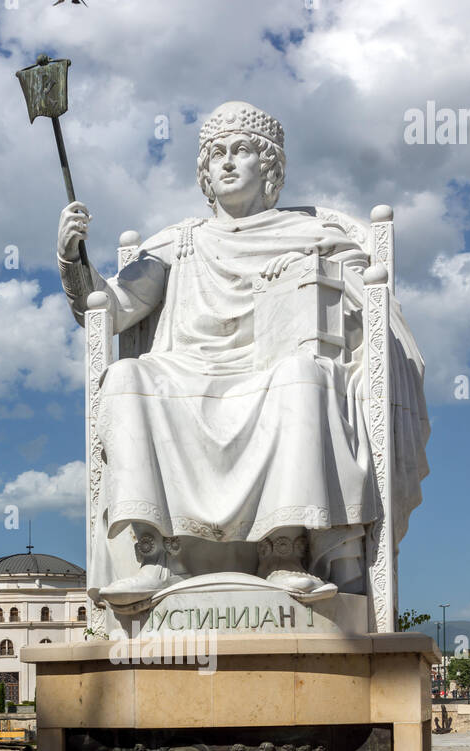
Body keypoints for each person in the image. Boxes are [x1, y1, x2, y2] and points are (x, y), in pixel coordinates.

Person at [57, 102, 429, 606]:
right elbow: (108, 307)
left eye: (242, 151)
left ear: (270, 167)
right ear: (204, 175)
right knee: (126, 377)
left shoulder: (311, 235)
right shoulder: (178, 242)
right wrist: (72, 258)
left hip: (271, 373)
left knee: (304, 376)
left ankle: (283, 549)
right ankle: (156, 553)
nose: (227, 162)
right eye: (215, 155)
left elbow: (369, 300)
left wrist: (307, 278)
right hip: (185, 373)